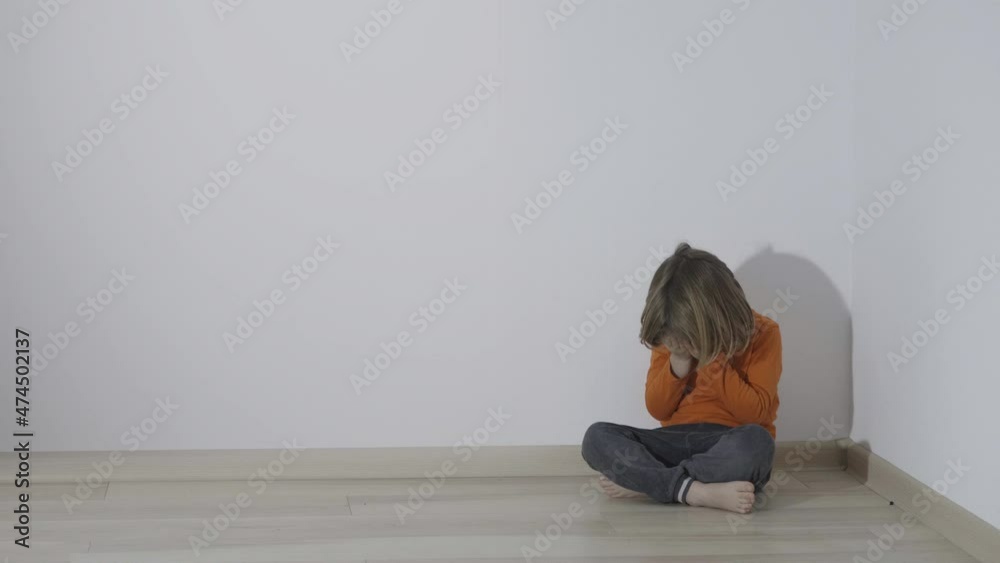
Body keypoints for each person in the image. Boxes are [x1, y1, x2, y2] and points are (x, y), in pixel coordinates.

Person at [581, 243, 782, 514]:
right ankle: (694, 490)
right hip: (672, 440)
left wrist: (713, 360)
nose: (682, 344)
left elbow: (755, 414)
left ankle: (650, 482)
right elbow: (657, 408)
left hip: (727, 442)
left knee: (757, 444)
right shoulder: (672, 331)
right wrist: (679, 360)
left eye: (689, 339)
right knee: (596, 437)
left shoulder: (764, 333)